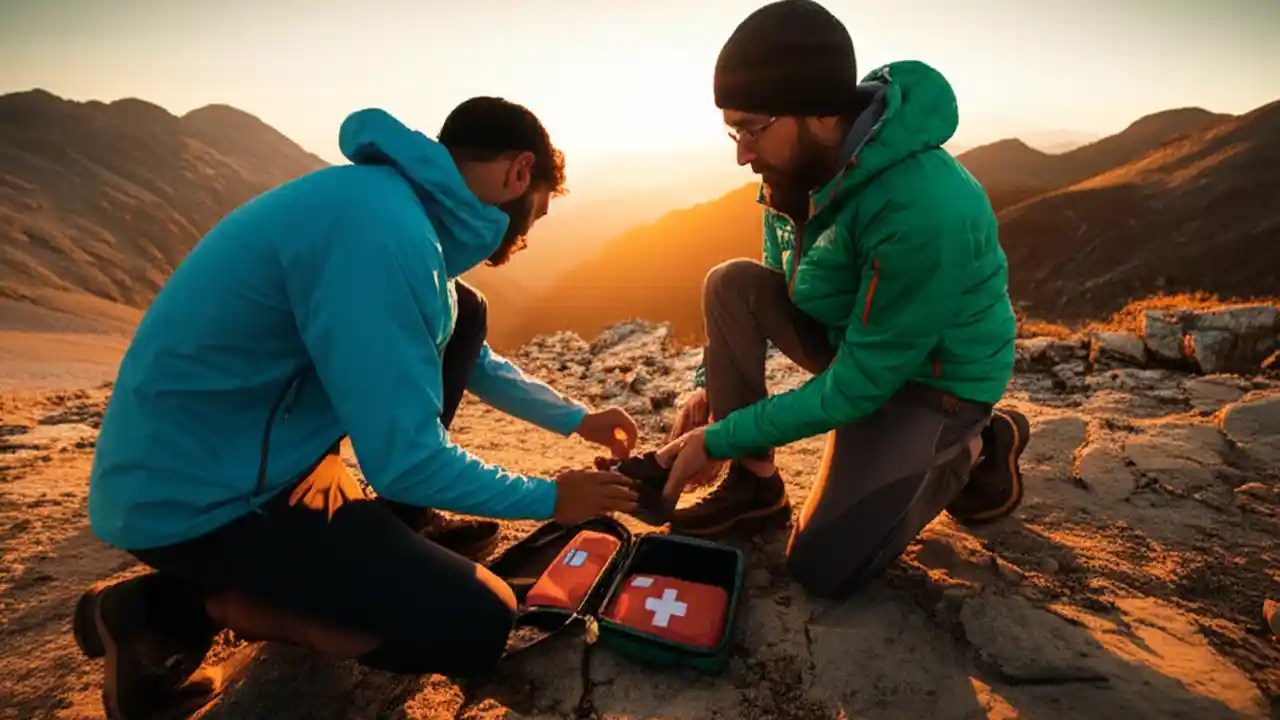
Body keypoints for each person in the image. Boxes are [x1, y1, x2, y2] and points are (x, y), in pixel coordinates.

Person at [73, 97, 640, 719]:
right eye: (536, 212)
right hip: (202, 503)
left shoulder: (386, 206)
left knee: (466, 312)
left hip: (240, 458)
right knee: (476, 619)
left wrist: (577, 419)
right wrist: (554, 498)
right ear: (519, 172)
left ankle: (397, 532)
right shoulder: (380, 237)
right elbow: (406, 464)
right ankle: (163, 610)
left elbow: (462, 351)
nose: (526, 235)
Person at [659, 0, 1030, 598]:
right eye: (734, 130)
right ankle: (755, 488)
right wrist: (711, 391)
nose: (742, 153)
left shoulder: (922, 207)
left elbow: (860, 385)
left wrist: (718, 439)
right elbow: (779, 276)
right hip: (858, 343)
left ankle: (981, 443)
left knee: (823, 566)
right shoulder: (799, 167)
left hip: (933, 383)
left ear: (821, 112)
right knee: (730, 282)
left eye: (753, 128)